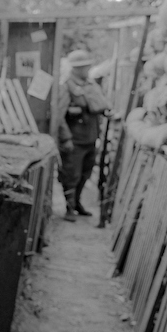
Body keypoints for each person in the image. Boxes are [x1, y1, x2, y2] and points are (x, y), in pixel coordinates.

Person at [55, 49, 112, 221]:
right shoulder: (66, 85)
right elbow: (59, 115)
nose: (88, 69)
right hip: (74, 140)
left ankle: (77, 203)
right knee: (71, 174)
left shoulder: (90, 84)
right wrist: (65, 138)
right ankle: (69, 207)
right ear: (76, 68)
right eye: (84, 66)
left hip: (89, 137)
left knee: (85, 173)